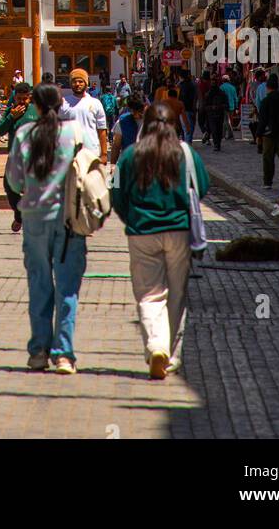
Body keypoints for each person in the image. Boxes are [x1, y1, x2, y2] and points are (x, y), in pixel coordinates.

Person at [112, 101, 209, 380]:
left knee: (149, 293)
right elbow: (201, 186)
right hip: (179, 231)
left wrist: (129, 216)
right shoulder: (186, 154)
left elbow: (116, 191)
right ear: (174, 125)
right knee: (177, 293)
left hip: (142, 232)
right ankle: (171, 353)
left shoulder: (130, 155)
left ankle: (156, 345)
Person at [4, 84, 87, 375]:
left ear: (35, 106)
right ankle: (64, 354)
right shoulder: (74, 133)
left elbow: (14, 182)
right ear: (60, 103)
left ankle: (39, 351)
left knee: (39, 284)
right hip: (68, 219)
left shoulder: (23, 134)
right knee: (67, 287)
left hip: (34, 218)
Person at [0, 81, 36, 232]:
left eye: (24, 99)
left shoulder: (36, 110)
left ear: (29, 97)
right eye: (19, 98)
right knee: (9, 187)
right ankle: (19, 215)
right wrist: (11, 118)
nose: (21, 102)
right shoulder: (11, 111)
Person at [62, 67, 108, 162]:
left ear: (86, 83)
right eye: (74, 81)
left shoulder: (95, 103)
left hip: (91, 153)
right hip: (70, 155)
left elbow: (102, 130)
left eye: (80, 81)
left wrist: (104, 154)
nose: (77, 84)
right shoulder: (63, 103)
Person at [111, 93, 146, 162]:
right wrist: (113, 164)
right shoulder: (122, 121)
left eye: (141, 110)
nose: (140, 113)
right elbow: (116, 146)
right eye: (135, 111)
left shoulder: (153, 120)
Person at [204, 76, 228, 152]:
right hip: (211, 115)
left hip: (220, 114)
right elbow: (205, 106)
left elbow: (226, 104)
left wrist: (218, 106)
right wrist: (211, 107)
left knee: (219, 129)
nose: (213, 84)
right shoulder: (208, 94)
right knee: (214, 130)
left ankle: (218, 144)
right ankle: (216, 144)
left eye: (214, 82)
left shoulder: (222, 93)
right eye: (212, 82)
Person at [178, 70, 198, 145]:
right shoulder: (191, 84)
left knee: (186, 128)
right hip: (190, 108)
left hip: (185, 109)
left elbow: (182, 98)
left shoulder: (183, 85)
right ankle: (188, 142)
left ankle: (188, 144)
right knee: (189, 127)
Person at [219, 75, 238, 140]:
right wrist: (237, 107)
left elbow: (220, 98)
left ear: (223, 80)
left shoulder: (221, 87)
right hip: (232, 106)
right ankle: (229, 135)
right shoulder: (233, 87)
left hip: (224, 106)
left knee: (225, 120)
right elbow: (236, 98)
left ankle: (224, 135)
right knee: (230, 120)